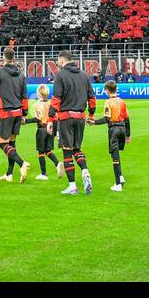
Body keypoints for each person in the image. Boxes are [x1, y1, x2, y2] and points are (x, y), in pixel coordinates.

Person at [48, 51, 96, 195]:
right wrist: (91, 114)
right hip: (80, 117)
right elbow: (92, 98)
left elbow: (56, 99)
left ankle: (72, 186)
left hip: (66, 117)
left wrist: (50, 119)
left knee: (67, 151)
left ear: (62, 60)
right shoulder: (84, 75)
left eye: (58, 60)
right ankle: (85, 171)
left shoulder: (60, 76)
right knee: (77, 148)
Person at [0, 48, 31, 183]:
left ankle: (22, 163)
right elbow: (24, 96)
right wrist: (25, 113)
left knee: (3, 144)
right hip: (18, 112)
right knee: (11, 143)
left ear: (3, 57)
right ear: (13, 58)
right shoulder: (21, 75)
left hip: (6, 113)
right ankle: (9, 174)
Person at [90, 79, 130, 191]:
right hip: (122, 128)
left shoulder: (108, 102)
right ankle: (121, 177)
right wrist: (128, 134)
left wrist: (94, 122)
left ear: (107, 90)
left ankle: (118, 184)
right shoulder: (122, 101)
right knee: (115, 154)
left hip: (114, 129)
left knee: (115, 155)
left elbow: (107, 118)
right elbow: (127, 118)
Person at [25, 84, 61, 180]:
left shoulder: (36, 105)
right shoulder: (50, 104)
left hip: (41, 129)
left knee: (41, 152)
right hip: (51, 129)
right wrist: (55, 132)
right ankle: (57, 164)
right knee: (48, 151)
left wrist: (25, 121)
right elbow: (56, 118)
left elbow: (38, 119)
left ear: (38, 94)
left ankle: (43, 173)